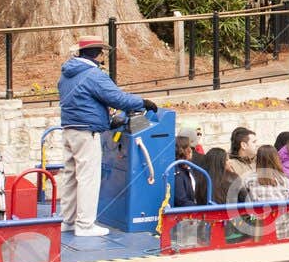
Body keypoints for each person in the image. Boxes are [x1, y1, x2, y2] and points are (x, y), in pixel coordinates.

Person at [57, 36, 154, 236]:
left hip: (69, 129)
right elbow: (117, 98)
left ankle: (68, 221)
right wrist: (142, 103)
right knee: (88, 177)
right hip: (87, 132)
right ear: (98, 54)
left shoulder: (66, 74)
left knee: (70, 176)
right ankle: (85, 225)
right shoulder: (94, 74)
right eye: (102, 53)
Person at [171, 135, 208, 207]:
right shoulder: (177, 172)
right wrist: (198, 210)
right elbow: (181, 200)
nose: (191, 150)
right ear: (184, 150)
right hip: (187, 213)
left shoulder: (187, 168)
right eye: (189, 147)